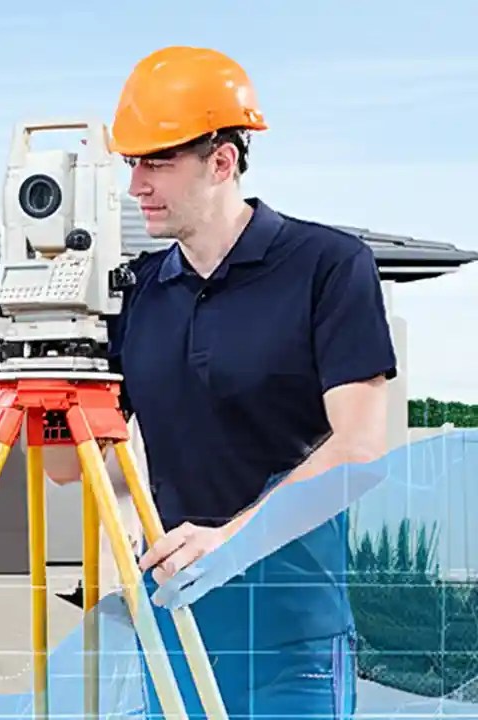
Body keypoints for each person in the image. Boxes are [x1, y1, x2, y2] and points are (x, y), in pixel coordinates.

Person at [46, 46, 396, 719]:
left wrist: (227, 539)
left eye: (157, 162)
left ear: (222, 160)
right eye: (131, 164)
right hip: (174, 628)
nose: (136, 186)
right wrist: (51, 361)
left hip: (291, 638)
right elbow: (66, 468)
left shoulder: (327, 266)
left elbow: (359, 451)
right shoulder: (136, 292)